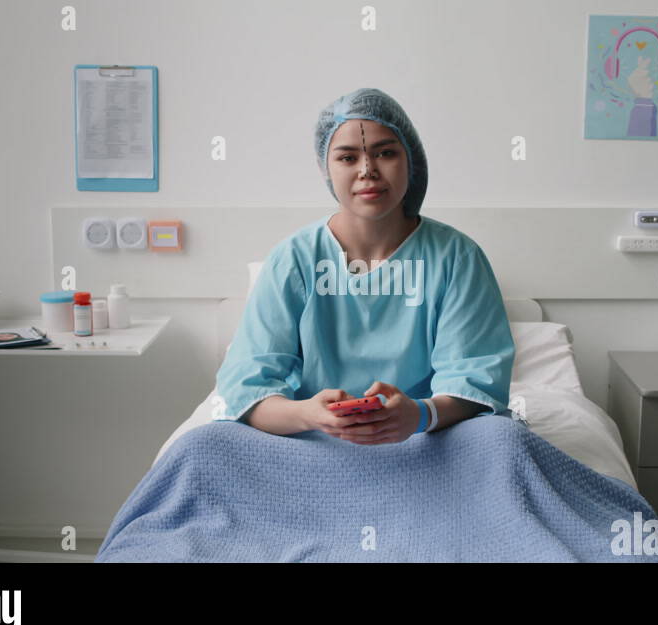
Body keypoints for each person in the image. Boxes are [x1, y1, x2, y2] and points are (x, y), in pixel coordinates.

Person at [212, 88, 515, 446]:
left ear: (411, 159)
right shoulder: (293, 260)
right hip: (312, 442)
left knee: (503, 437)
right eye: (347, 158)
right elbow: (246, 391)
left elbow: (475, 384)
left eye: (385, 153)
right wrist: (309, 414)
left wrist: (419, 415)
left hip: (429, 442)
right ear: (326, 167)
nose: (367, 171)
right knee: (205, 443)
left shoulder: (457, 258)